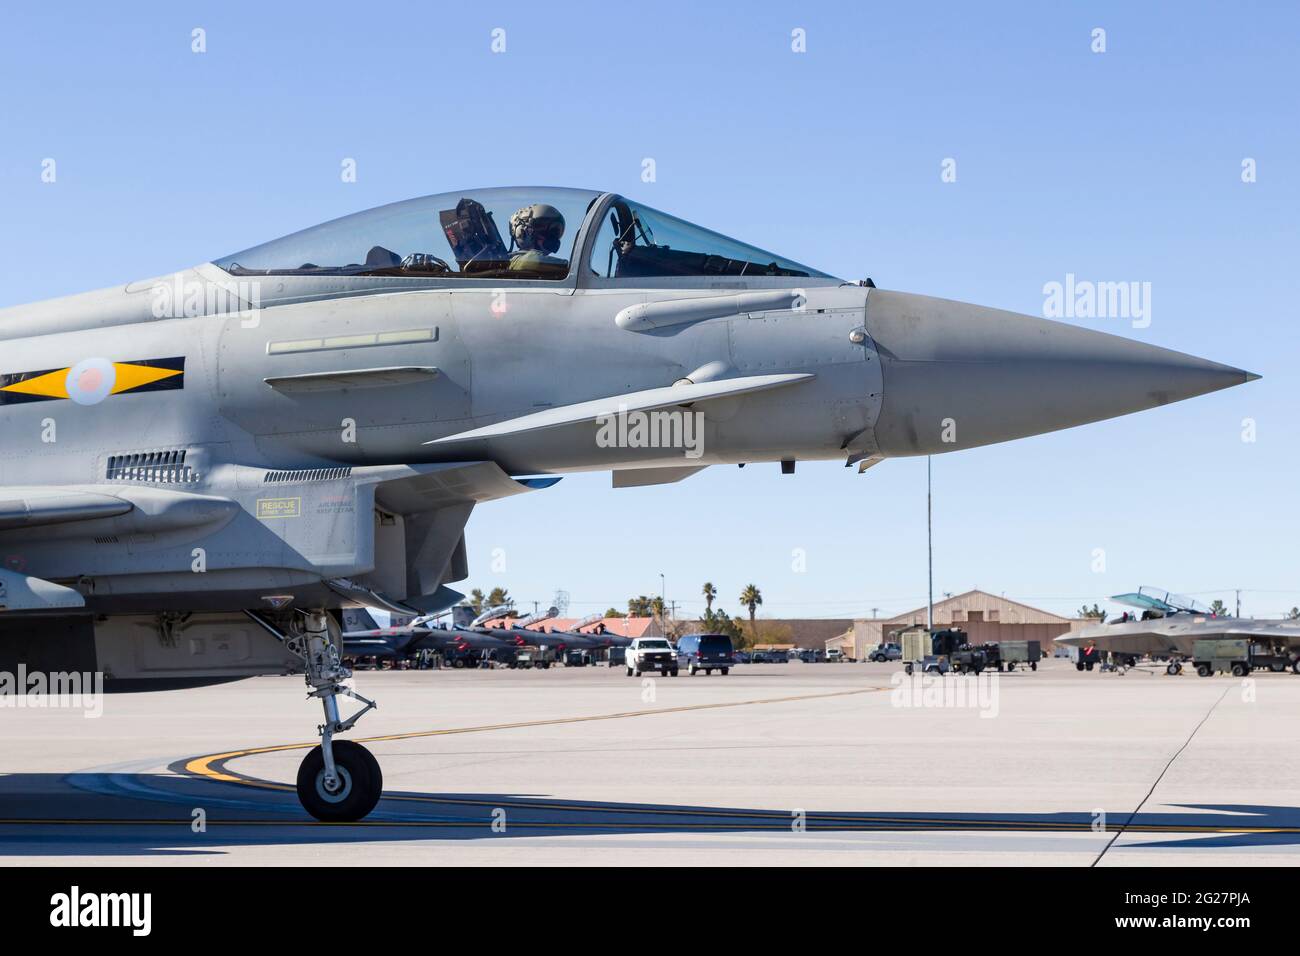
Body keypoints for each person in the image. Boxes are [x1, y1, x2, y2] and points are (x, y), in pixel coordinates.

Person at [508, 203, 567, 273]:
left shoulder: (550, 269)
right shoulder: (516, 260)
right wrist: (570, 267)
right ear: (522, 232)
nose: (551, 236)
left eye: (554, 231)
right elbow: (535, 261)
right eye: (541, 229)